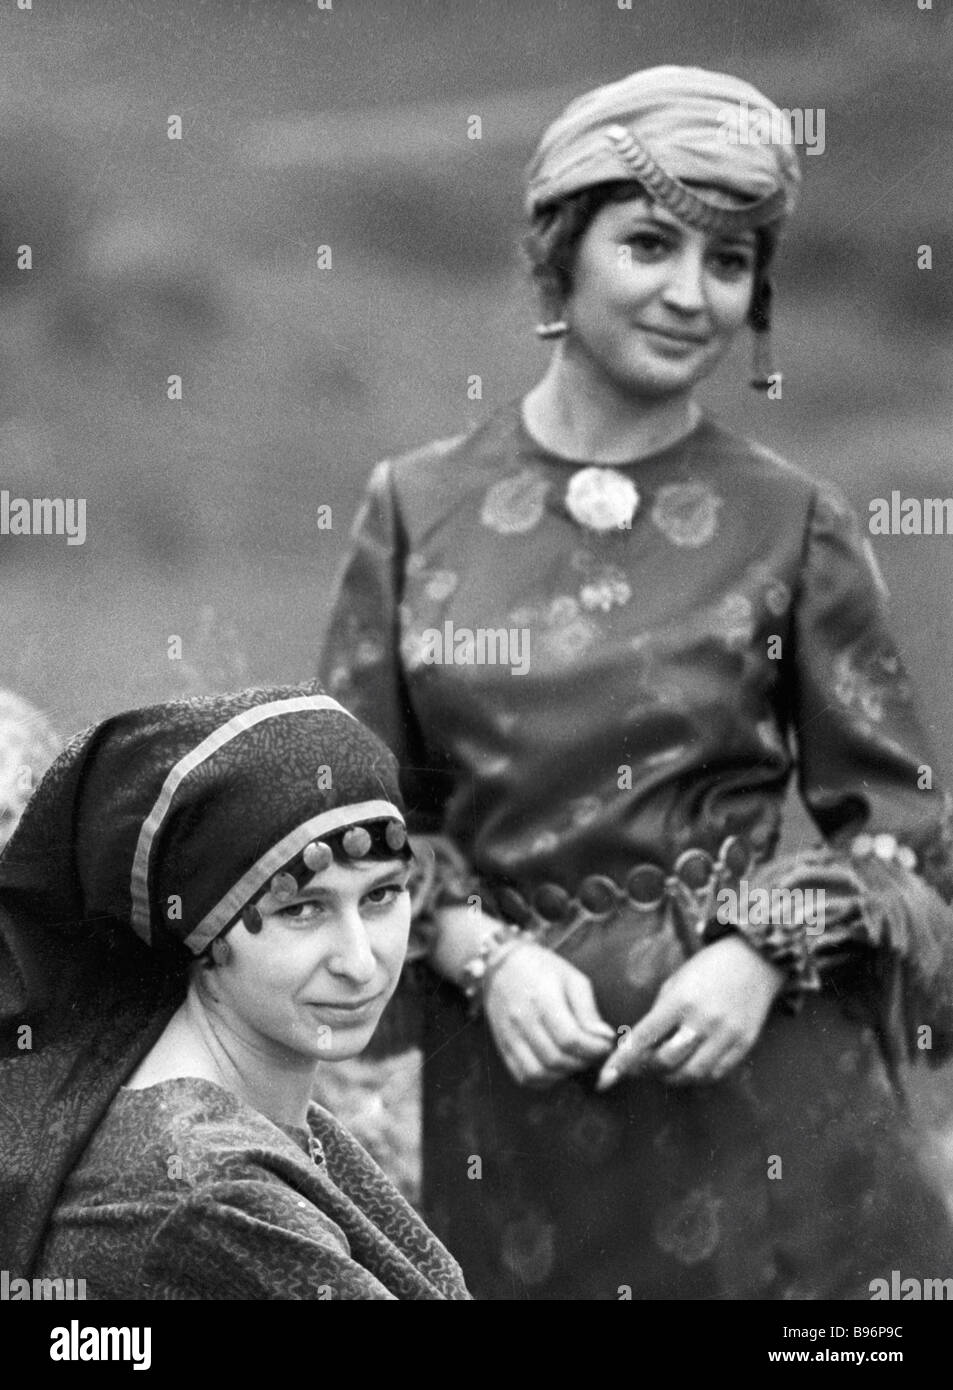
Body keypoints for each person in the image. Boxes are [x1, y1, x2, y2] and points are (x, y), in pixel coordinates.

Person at [320, 65, 953, 1300]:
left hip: (774, 1105)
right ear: (561, 254)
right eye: (650, 244)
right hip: (512, 1122)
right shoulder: (413, 509)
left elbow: (906, 838)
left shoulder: (794, 522)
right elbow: (346, 819)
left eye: (727, 262)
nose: (689, 294)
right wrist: (478, 953)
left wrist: (760, 951)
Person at [0, 682, 470, 1300]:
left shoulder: (261, 1111)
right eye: (303, 909)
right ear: (197, 928)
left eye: (381, 895)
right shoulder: (205, 1191)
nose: (361, 962)